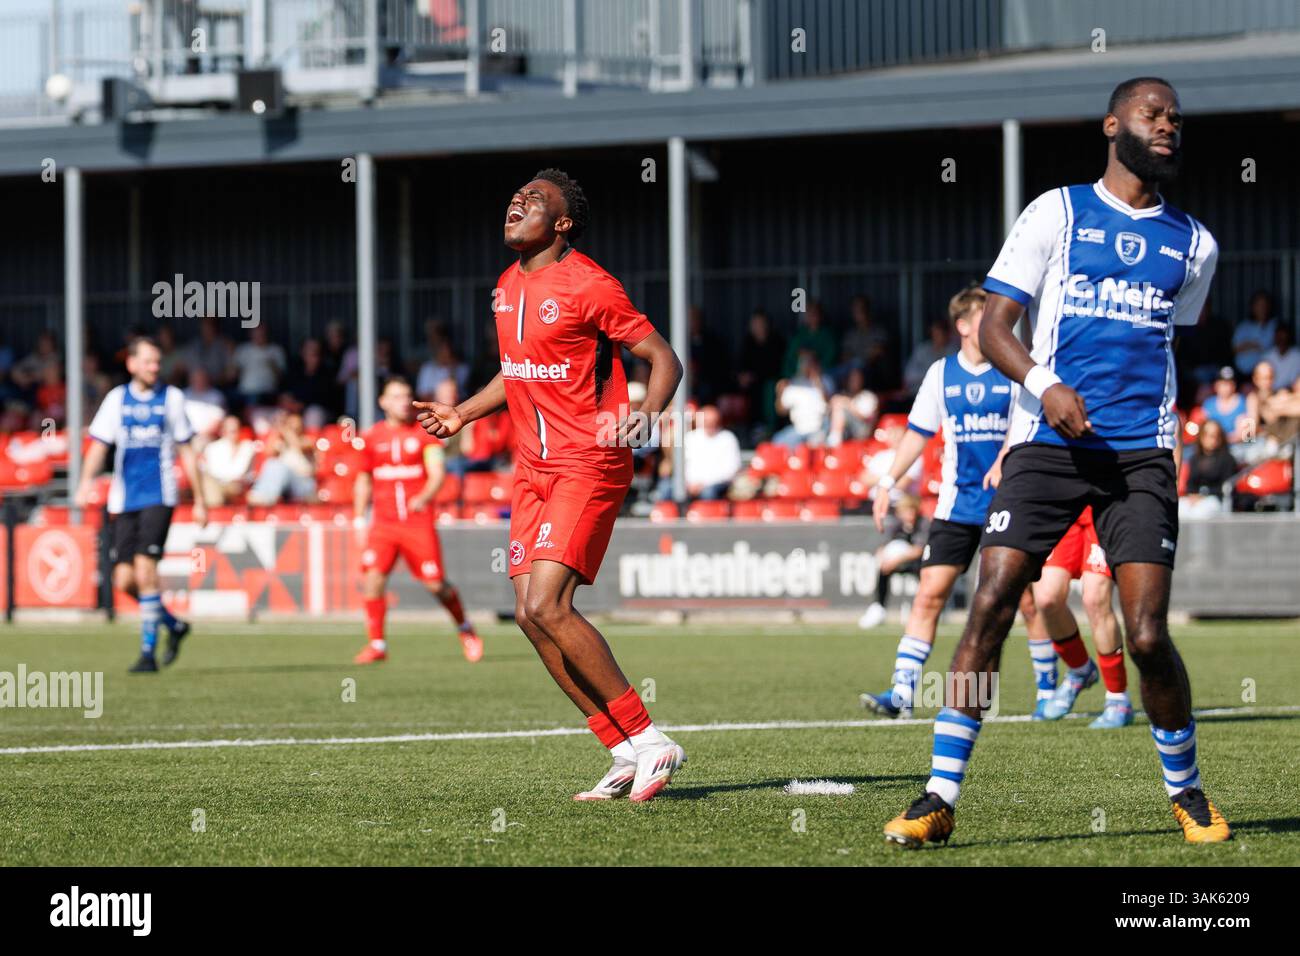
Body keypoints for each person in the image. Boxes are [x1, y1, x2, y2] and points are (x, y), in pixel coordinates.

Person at [884, 78, 1231, 848]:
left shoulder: (1196, 242)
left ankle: (1188, 792)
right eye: (1154, 113)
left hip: (1142, 452)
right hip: (1048, 443)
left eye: (1177, 116)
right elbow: (999, 326)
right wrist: (1046, 387)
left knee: (1144, 633)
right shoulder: (1057, 211)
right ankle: (938, 796)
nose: (1169, 125)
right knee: (993, 600)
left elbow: (1173, 333)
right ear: (1114, 125)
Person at [414, 168, 688, 803]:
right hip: (532, 470)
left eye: (534, 200)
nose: (518, 202)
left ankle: (652, 741)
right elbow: (515, 372)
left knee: (547, 606)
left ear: (562, 224)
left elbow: (664, 358)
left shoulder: (590, 283)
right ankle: (619, 749)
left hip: (588, 460)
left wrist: (644, 417)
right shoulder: (507, 286)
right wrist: (462, 414)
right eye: (516, 195)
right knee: (529, 617)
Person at [857, 285, 1054, 717]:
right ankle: (903, 695)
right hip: (955, 506)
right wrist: (889, 481)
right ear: (963, 325)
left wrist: (1006, 455)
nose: (997, 324)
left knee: (1023, 598)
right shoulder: (941, 374)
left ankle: (1048, 690)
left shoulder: (1014, 368)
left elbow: (1034, 422)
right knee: (930, 592)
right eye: (987, 317)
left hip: (1008, 501)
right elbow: (918, 433)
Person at [74, 336, 207, 672]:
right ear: (131, 364)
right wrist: (85, 483)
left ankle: (147, 653)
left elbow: (188, 452)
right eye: (148, 361)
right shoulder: (117, 400)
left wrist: (201, 500)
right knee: (123, 580)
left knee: (146, 571)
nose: (154, 367)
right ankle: (174, 625)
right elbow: (99, 446)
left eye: (157, 362)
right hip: (125, 497)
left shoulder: (172, 399)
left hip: (159, 496)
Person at [352, 376, 481, 664]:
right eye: (396, 396)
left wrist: (423, 497)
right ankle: (377, 645)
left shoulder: (423, 435)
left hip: (416, 523)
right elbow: (363, 480)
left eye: (406, 395)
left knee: (435, 584)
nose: (402, 402)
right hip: (383, 525)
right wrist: (359, 520)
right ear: (383, 402)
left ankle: (465, 628)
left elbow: (437, 473)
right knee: (372, 580)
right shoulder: (372, 437)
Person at [1030, 506, 1131, 727]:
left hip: (1103, 507)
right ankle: (1080, 670)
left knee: (1095, 599)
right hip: (1064, 507)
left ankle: (1118, 699)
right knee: (1047, 599)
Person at [247, 412, 316, 505]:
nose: (293, 427)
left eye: (296, 424)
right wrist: (276, 430)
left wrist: (286, 431)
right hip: (286, 485)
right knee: (271, 463)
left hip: (304, 485)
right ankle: (259, 493)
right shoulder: (283, 443)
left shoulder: (308, 440)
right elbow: (268, 452)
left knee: (282, 467)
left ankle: (268, 498)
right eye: (290, 424)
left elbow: (298, 446)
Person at [772, 351, 832, 447]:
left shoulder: (825, 381)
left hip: (820, 429)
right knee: (777, 441)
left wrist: (817, 380)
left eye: (809, 362)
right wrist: (780, 393)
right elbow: (781, 411)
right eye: (803, 362)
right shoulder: (793, 384)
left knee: (815, 444)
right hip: (798, 430)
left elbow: (831, 404)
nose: (805, 365)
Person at [681, 404, 741, 500]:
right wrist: (688, 484)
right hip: (689, 485)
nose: (710, 424)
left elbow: (731, 470)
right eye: (706, 421)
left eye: (713, 421)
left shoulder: (728, 438)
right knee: (669, 489)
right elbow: (682, 466)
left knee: (708, 493)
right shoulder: (690, 438)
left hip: (716, 485)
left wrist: (703, 484)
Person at [1180, 419, 1238, 518]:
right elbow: (1190, 484)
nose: (1211, 439)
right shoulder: (1195, 459)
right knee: (1180, 508)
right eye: (1207, 435)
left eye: (1215, 435)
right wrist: (1192, 495)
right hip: (1196, 499)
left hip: (1215, 499)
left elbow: (1226, 487)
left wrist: (1203, 495)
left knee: (1200, 512)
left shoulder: (1227, 459)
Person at [199, 414, 256, 506]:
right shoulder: (212, 448)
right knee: (211, 487)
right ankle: (215, 515)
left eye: (236, 430)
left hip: (239, 486)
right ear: (223, 431)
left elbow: (245, 473)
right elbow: (214, 472)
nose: (234, 434)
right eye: (231, 431)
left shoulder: (248, 447)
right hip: (219, 485)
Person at [231, 324, 286, 409]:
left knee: (256, 400)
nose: (259, 336)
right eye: (256, 333)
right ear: (251, 334)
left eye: (261, 334)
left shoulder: (275, 350)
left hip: (267, 392)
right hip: (245, 391)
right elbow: (232, 374)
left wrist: (272, 365)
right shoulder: (243, 349)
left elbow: (282, 377)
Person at [902, 319, 957, 395]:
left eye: (939, 334)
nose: (935, 337)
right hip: (919, 394)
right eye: (934, 333)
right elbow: (909, 375)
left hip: (944, 395)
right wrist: (932, 375)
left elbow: (953, 377)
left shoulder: (953, 351)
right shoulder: (922, 350)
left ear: (947, 334)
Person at [1199, 366, 1249, 445]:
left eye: (1230, 384)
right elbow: (1202, 430)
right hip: (1212, 446)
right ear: (1216, 385)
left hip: (1237, 446)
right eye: (1223, 384)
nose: (1227, 387)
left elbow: (1245, 435)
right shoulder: (1208, 404)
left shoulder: (1243, 402)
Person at [1232, 290, 1276, 378]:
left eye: (1264, 305)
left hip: (1266, 376)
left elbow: (1269, 348)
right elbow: (1235, 349)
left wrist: (1248, 344)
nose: (1262, 308)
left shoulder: (1274, 325)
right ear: (1252, 307)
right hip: (1243, 374)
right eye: (1259, 305)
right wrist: (1255, 345)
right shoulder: (1243, 326)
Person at [1261, 324, 1300, 390]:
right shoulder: (1267, 356)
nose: (1282, 341)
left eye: (1284, 338)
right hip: (1270, 392)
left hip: (1292, 393)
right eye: (1279, 338)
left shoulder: (1297, 355)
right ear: (1275, 338)